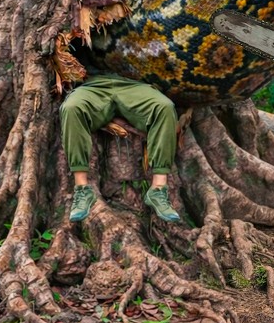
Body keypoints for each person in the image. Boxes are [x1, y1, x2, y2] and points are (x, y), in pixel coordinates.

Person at [60, 72, 183, 223]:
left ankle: (158, 189)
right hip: (93, 84)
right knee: (71, 108)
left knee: (165, 107)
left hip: (134, 84)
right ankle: (82, 189)